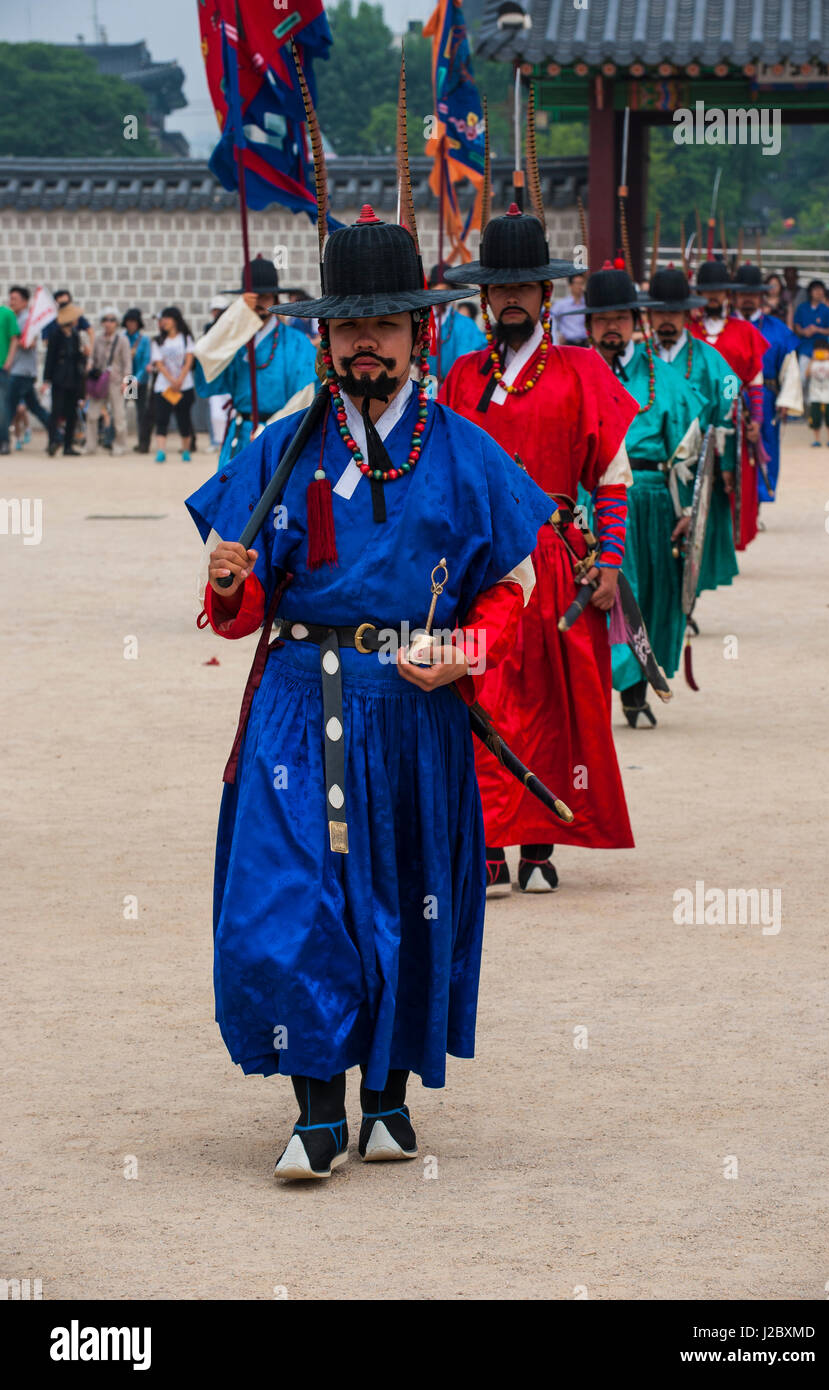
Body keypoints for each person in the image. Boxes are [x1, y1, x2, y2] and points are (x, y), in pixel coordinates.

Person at [184, 203, 555, 1181]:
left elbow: (514, 588)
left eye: (381, 328)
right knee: (290, 901)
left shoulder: (464, 451)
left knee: (405, 896)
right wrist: (231, 584)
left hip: (411, 710)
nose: (363, 347)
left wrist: (468, 645)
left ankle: (386, 1098)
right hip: (296, 707)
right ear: (324, 337)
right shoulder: (279, 450)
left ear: (418, 335)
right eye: (347, 329)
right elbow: (242, 603)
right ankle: (315, 1106)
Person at [441, 210, 637, 893]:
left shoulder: (581, 370)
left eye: (524, 285)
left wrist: (608, 559)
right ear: (484, 299)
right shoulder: (460, 378)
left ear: (546, 295)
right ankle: (490, 840)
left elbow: (612, 476)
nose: (512, 298)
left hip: (556, 560)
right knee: (484, 694)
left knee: (554, 703)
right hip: (483, 563)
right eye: (500, 289)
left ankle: (540, 844)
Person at [586, 259, 704, 728]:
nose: (611, 327)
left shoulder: (666, 381)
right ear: (590, 324)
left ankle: (634, 690)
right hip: (589, 504)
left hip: (651, 503)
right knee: (594, 602)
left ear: (636, 322)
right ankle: (597, 693)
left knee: (645, 598)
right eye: (601, 318)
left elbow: (690, 452)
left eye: (620, 318)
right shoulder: (574, 372)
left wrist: (689, 510)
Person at [646, 265, 738, 598]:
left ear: (688, 314)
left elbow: (729, 399)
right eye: (660, 312)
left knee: (691, 542)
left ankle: (686, 602)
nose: (667, 320)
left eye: (675, 312)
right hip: (650, 473)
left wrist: (726, 463)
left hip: (696, 469)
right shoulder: (639, 359)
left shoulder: (709, 359)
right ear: (649, 314)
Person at [193, 258, 317, 467]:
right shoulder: (234, 342)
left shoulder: (297, 343)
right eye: (253, 298)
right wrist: (237, 315)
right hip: (241, 435)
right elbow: (205, 357)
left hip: (281, 434)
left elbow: (304, 396)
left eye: (265, 297)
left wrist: (270, 429)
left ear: (276, 299)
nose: (259, 304)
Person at [690, 260, 768, 551]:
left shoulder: (744, 331)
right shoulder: (687, 329)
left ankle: (728, 541)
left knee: (732, 481)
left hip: (732, 417)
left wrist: (756, 419)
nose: (712, 297)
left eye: (718, 290)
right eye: (707, 290)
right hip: (692, 420)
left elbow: (755, 381)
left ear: (727, 293)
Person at [730, 264, 803, 506]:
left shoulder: (777, 329)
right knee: (729, 448)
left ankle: (759, 500)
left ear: (761, 297)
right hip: (729, 396)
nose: (748, 300)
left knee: (766, 449)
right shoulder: (724, 327)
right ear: (734, 297)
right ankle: (733, 500)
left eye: (753, 294)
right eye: (743, 295)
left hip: (767, 399)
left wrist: (786, 400)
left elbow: (790, 367)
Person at [426, 262, 485, 388]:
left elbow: (479, 353)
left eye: (445, 292)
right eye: (437, 292)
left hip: (456, 388)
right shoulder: (422, 322)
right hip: (426, 388)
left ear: (452, 293)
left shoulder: (465, 324)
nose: (440, 298)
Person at [7, 285, 53, 446]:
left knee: (8, 407)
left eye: (14, 299)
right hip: (21, 371)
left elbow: (31, 343)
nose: (11, 302)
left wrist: (14, 341)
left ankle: (3, 441)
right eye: (10, 298)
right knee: (34, 408)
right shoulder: (17, 318)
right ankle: (57, 433)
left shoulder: (27, 320)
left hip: (21, 372)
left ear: (25, 302)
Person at [84, 307, 132, 457]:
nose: (108, 323)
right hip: (99, 383)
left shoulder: (123, 340)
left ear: (116, 323)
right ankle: (90, 445)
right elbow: (92, 357)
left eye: (111, 320)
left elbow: (128, 363)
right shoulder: (98, 339)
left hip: (117, 382)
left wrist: (127, 383)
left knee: (119, 416)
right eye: (105, 320)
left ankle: (120, 445)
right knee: (92, 414)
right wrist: (89, 365)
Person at [150, 306, 195, 462]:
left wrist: (180, 379)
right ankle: (161, 450)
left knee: (184, 418)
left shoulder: (186, 338)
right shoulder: (158, 341)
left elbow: (189, 359)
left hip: (185, 385)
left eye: (167, 318)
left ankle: (186, 449)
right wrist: (172, 380)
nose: (164, 322)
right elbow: (159, 363)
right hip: (164, 387)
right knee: (162, 418)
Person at [44, 302, 86, 456]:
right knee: (56, 412)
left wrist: (84, 355)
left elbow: (77, 357)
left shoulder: (75, 335)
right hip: (59, 378)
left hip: (73, 378)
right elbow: (50, 358)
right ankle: (52, 442)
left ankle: (68, 445)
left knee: (72, 413)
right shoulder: (56, 335)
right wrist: (47, 379)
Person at [793, 280, 829, 390]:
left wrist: (817, 330)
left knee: (821, 379)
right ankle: (803, 403)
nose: (819, 292)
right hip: (805, 347)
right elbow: (796, 326)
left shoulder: (826, 310)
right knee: (802, 378)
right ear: (810, 292)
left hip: (822, 349)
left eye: (821, 290)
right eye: (815, 289)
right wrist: (803, 332)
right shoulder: (802, 308)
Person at [202, 295, 232, 453]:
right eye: (214, 311)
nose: (217, 314)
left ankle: (228, 440)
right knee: (215, 413)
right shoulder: (209, 328)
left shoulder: (233, 327)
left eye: (219, 311)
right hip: (216, 373)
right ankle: (215, 440)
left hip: (231, 372)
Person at [122, 308, 151, 454]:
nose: (131, 324)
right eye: (129, 322)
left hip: (139, 382)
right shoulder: (121, 338)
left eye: (133, 322)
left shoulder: (144, 340)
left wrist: (136, 379)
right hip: (125, 381)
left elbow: (146, 360)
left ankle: (143, 443)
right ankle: (114, 440)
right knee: (120, 411)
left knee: (142, 413)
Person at [805, 348, 829, 446]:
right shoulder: (813, 363)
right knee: (815, 420)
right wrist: (812, 360)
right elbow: (806, 374)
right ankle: (817, 440)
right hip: (815, 396)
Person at [0, 294, 20, 454]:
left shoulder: (7, 313)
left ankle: (4, 441)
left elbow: (14, 338)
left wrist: (9, 360)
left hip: (2, 367)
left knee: (2, 406)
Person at [550, 271, 588, 345]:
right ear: (570, 285)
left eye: (582, 283)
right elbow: (551, 318)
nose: (580, 287)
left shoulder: (587, 304)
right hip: (568, 343)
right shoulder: (562, 304)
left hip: (584, 343)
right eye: (577, 283)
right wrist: (556, 337)